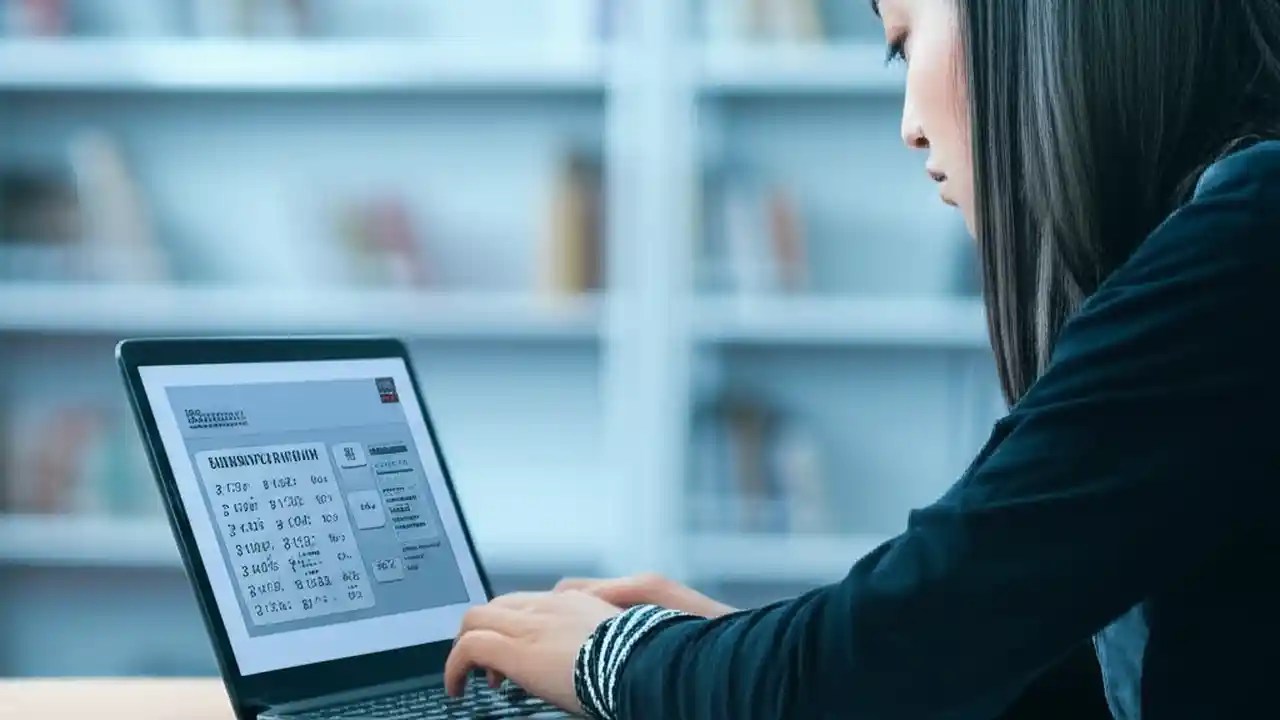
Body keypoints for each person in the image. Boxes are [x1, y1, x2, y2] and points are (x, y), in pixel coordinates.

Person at [445, 0, 1280, 717]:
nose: (910, 125)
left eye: (905, 42)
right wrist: (726, 657)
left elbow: (910, 645)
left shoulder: (1252, 234)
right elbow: (980, 663)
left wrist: (621, 659)